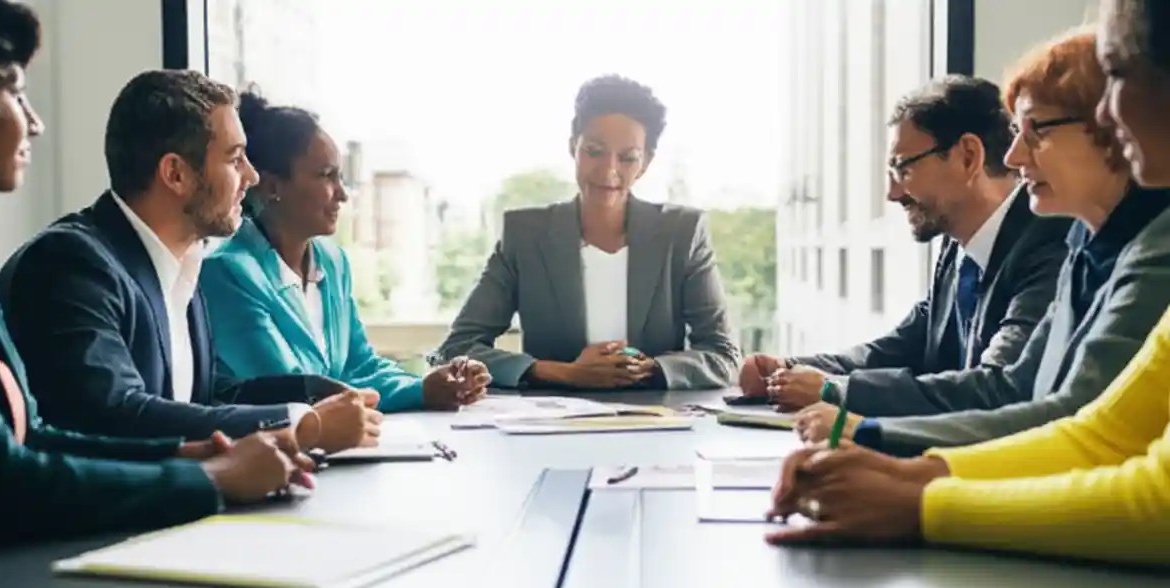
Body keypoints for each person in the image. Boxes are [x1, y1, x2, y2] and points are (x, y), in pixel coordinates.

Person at [0, 0, 313, 574]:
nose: (33, 122)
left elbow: (32, 435)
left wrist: (182, 453)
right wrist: (206, 478)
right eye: (14, 93)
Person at [767, 2, 1170, 566]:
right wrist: (902, 467)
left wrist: (915, 493)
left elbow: (1056, 417)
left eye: (1121, 75)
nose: (1111, 110)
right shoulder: (1082, 246)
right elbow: (1094, 431)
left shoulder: (1082, 244)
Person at [0, 70, 379, 453]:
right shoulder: (70, 264)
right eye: (235, 159)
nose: (251, 175)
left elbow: (200, 402)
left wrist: (310, 393)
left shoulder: (183, 266)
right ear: (176, 174)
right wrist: (303, 425)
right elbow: (116, 414)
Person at [740, 76, 1071, 413]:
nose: (892, 193)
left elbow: (997, 387)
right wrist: (787, 368)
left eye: (902, 168)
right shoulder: (959, 246)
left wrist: (834, 391)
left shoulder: (1051, 244)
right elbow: (904, 346)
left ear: (969, 157)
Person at [436, 75, 740, 390]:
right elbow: (456, 349)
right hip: (550, 424)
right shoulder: (526, 235)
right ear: (573, 147)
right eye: (594, 151)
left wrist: (649, 369)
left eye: (627, 158)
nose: (609, 170)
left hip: (657, 424)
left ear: (645, 162)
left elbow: (724, 357)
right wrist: (563, 372)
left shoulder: (681, 234)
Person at [199, 89, 492, 412]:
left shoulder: (332, 262)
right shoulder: (227, 272)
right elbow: (294, 388)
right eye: (326, 176)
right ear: (271, 186)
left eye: (341, 177)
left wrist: (429, 386)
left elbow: (360, 366)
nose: (342, 194)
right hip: (274, 450)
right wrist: (414, 392)